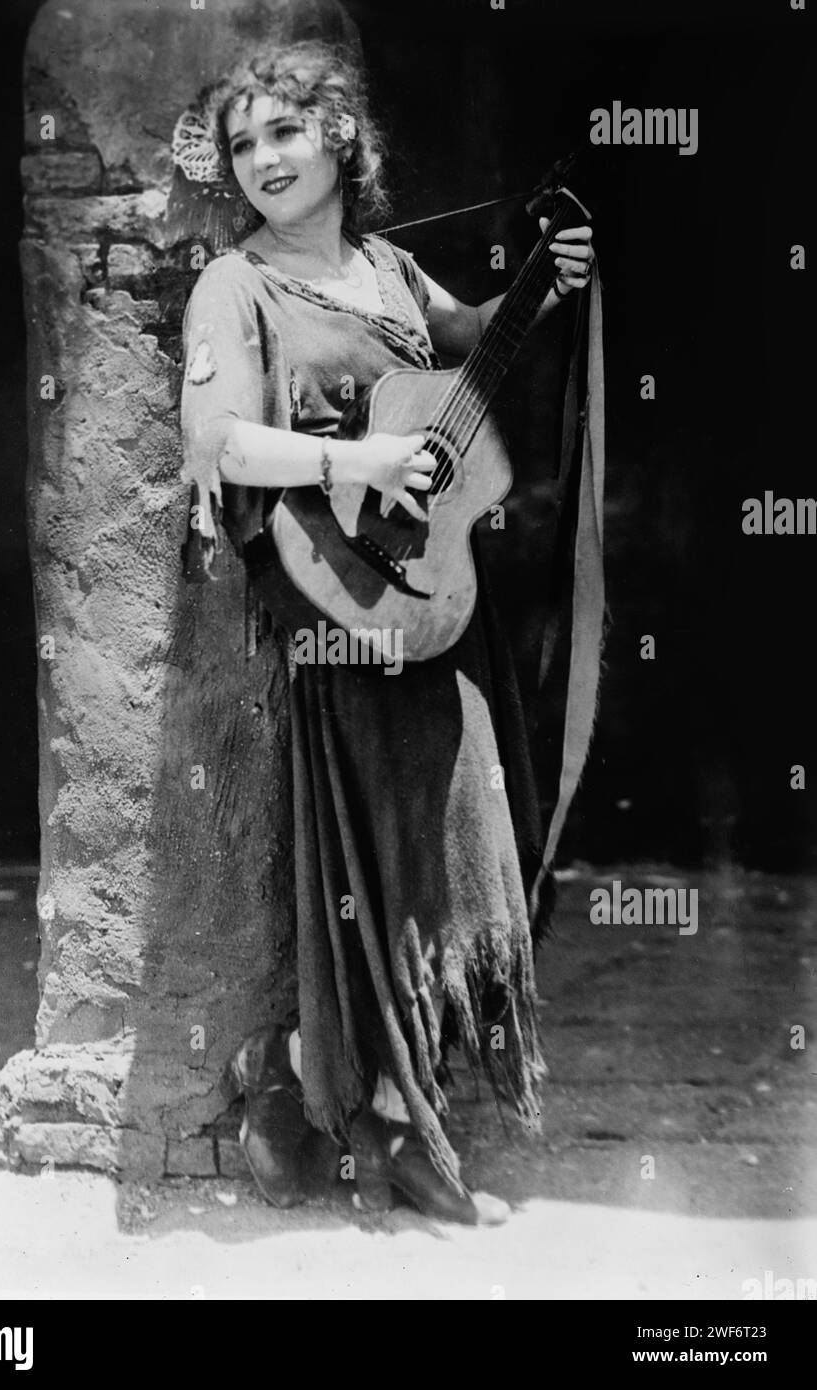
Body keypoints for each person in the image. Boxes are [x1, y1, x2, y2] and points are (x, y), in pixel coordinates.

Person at [178, 40, 596, 1224]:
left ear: (340, 142)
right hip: (336, 607)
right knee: (385, 856)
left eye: (284, 133)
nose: (262, 159)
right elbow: (223, 443)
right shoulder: (236, 287)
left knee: (461, 845)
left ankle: (371, 1097)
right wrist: (358, 457)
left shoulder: (386, 269)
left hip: (436, 597)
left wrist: (544, 284)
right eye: (244, 142)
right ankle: (379, 1117)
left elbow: (463, 342)